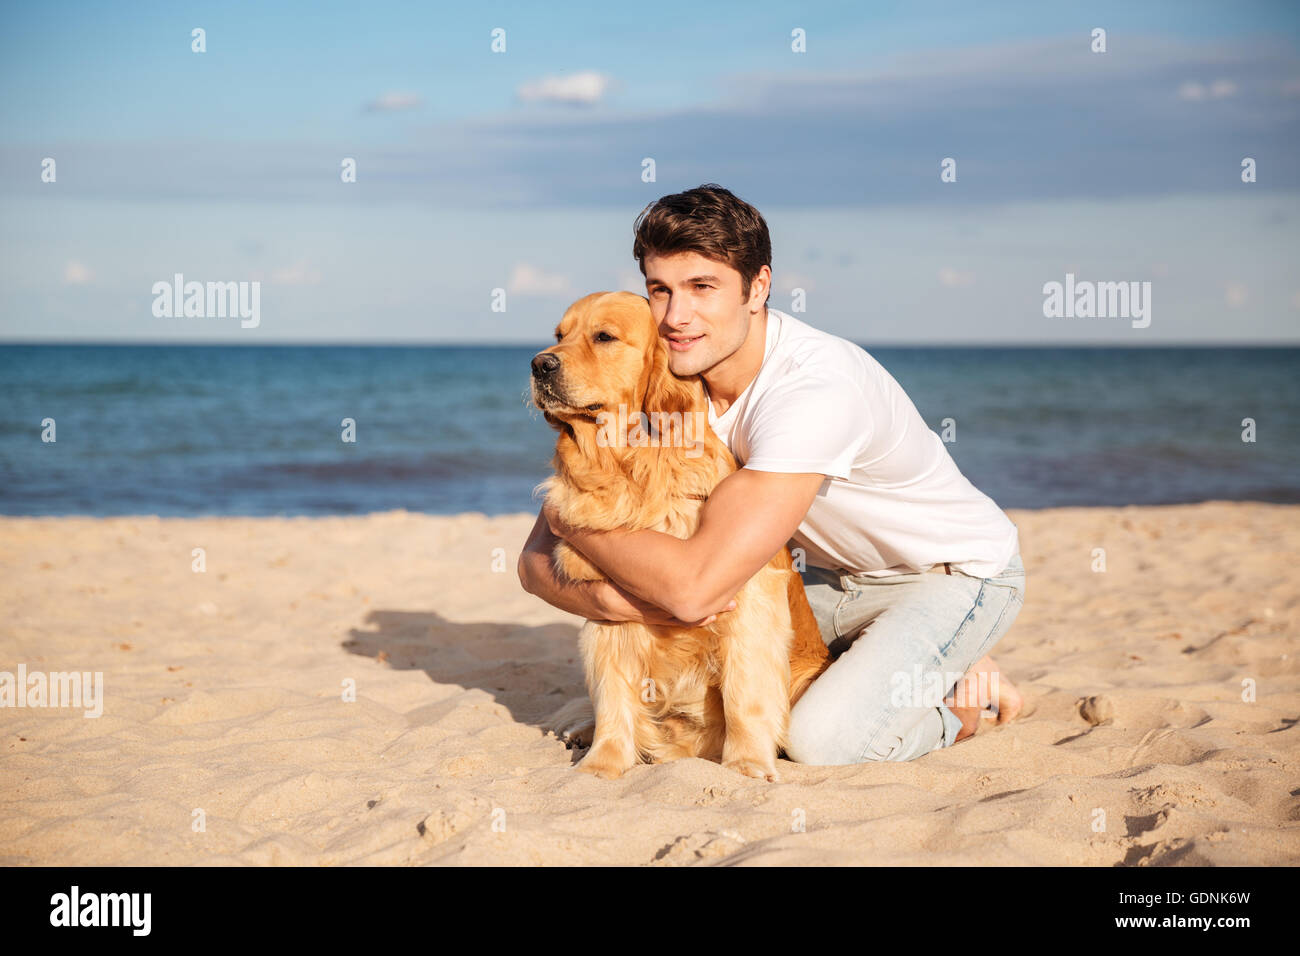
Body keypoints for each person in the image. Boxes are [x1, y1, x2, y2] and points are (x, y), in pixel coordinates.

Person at [518, 183, 1025, 763]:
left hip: (952, 575)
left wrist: (578, 533)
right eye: (661, 291)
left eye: (703, 288)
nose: (678, 316)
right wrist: (606, 600)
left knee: (820, 740)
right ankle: (919, 651)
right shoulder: (676, 382)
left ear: (757, 288)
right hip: (830, 576)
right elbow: (533, 566)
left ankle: (958, 699)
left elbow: (689, 590)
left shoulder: (812, 391)